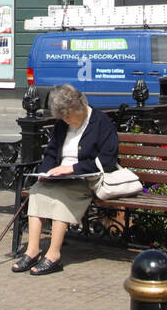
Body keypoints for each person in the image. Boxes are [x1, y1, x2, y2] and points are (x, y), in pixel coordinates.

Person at [12, 84, 118, 276]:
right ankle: (33, 250)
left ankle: (53, 255)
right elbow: (51, 153)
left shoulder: (101, 122)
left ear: (80, 107)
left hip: (85, 179)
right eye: (63, 117)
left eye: (69, 116)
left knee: (60, 197)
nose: (67, 120)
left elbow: (107, 161)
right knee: (37, 192)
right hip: (60, 177)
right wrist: (46, 173)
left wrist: (72, 168)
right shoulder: (62, 124)